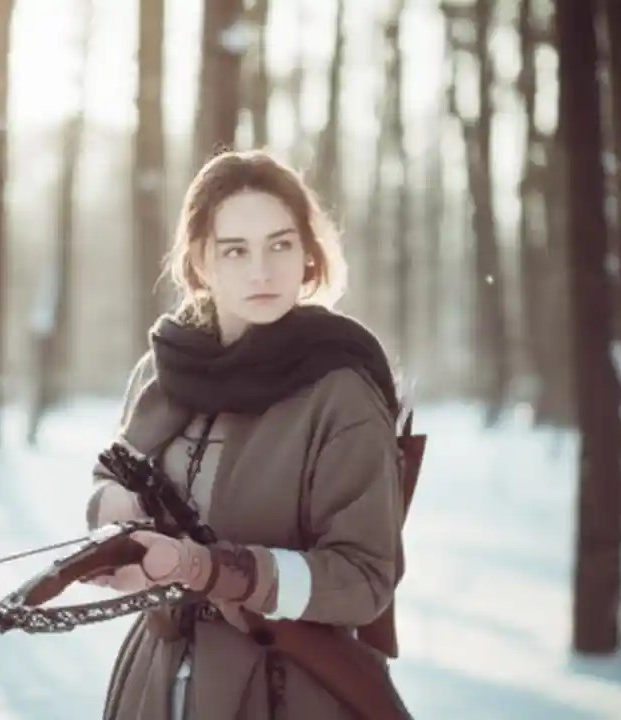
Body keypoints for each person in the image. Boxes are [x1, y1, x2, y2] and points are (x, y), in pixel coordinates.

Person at [84, 149, 407, 719]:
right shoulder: (163, 369)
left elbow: (362, 578)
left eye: (280, 244)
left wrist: (205, 569)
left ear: (308, 254)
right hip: (156, 683)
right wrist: (122, 525)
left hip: (287, 690)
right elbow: (109, 478)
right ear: (201, 261)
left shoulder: (340, 390)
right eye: (236, 250)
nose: (262, 270)